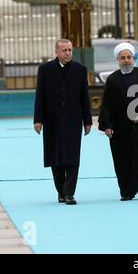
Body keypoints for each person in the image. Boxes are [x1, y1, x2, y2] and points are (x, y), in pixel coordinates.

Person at [34, 39, 92, 205]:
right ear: (57, 52)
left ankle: (69, 193)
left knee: (72, 157)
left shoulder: (80, 70)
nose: (68, 53)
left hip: (73, 119)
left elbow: (84, 97)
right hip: (52, 120)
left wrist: (87, 120)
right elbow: (40, 95)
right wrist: (38, 119)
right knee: (56, 157)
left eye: (70, 50)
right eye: (64, 50)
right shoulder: (45, 70)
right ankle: (61, 190)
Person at [98, 42, 138, 201]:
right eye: (123, 58)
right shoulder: (112, 79)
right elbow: (107, 104)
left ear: (133, 59)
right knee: (122, 161)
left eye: (129, 57)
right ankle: (126, 191)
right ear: (118, 60)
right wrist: (107, 125)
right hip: (120, 129)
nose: (126, 60)